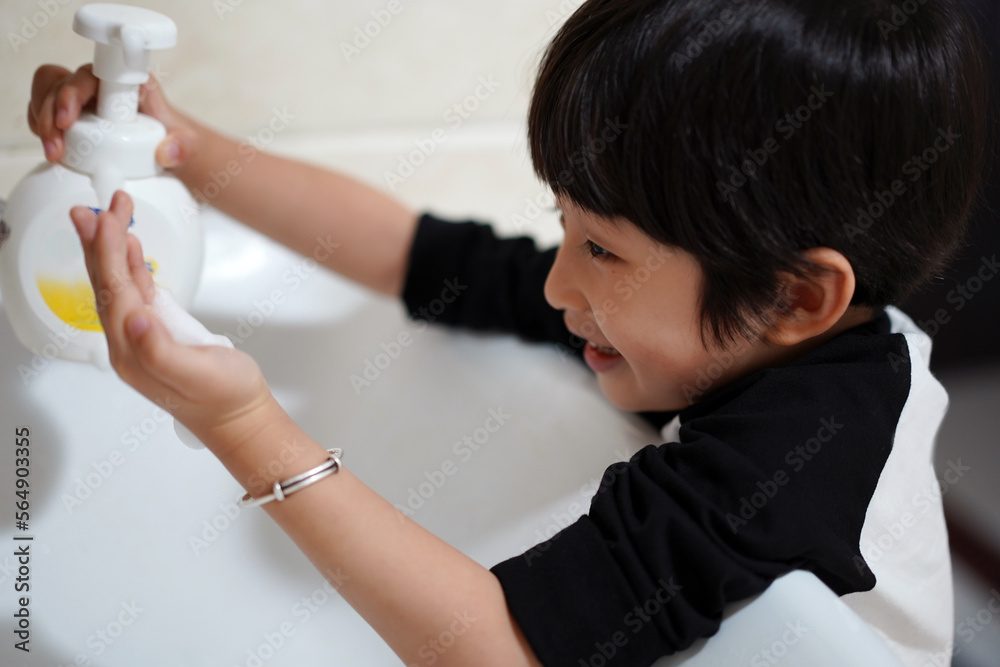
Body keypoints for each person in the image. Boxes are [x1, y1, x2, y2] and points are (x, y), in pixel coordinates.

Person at [27, 0, 989, 664]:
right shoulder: (722, 320)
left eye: (601, 250)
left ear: (796, 297)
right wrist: (180, 147)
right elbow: (419, 255)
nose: (559, 280)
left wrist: (243, 424)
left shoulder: (809, 450)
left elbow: (512, 651)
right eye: (564, 224)